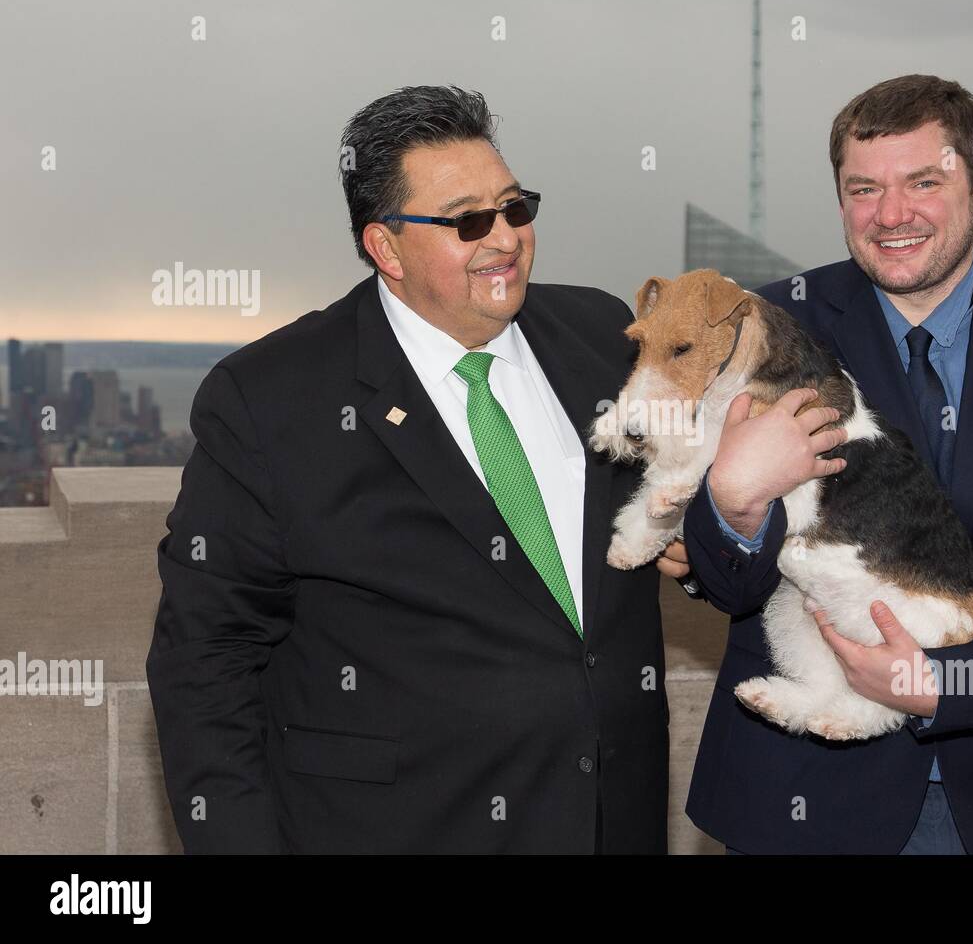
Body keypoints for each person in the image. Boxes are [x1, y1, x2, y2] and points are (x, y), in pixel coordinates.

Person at [147, 85, 677, 853]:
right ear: (385, 248)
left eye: (515, 208)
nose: (505, 239)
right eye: (468, 221)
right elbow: (205, 662)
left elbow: (680, 505)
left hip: (610, 823)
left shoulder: (601, 334)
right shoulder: (271, 399)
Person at [679, 74, 973, 854]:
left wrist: (947, 683)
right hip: (801, 795)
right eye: (863, 189)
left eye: (923, 182)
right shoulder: (772, 326)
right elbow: (724, 583)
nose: (890, 215)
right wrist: (732, 504)